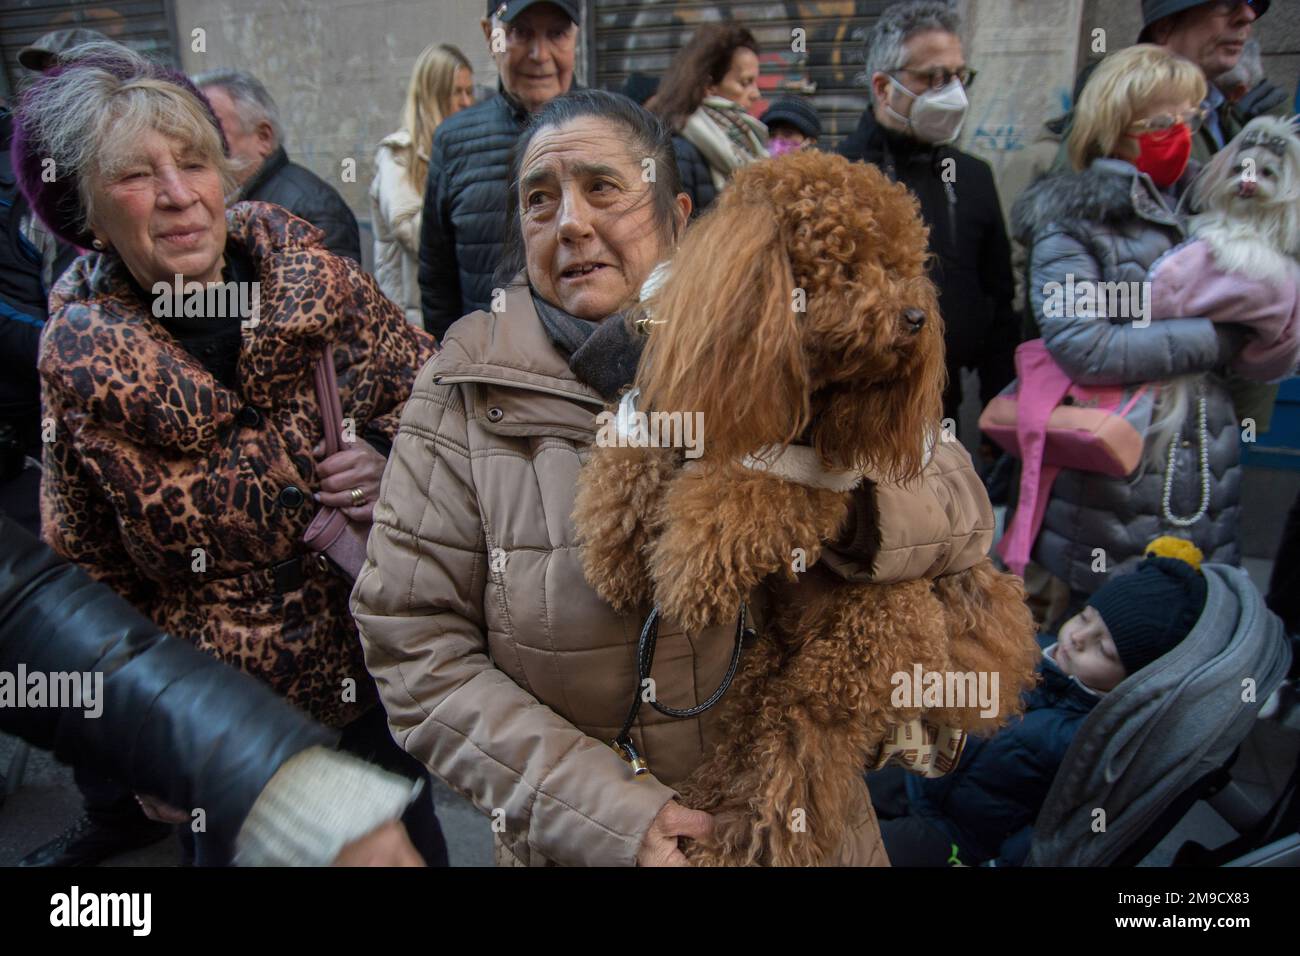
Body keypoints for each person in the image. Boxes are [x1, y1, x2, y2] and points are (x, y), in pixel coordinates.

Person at [351, 89, 998, 867]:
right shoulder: (461, 391)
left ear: (676, 213)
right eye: (539, 200)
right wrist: (611, 817)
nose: (571, 223)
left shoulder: (789, 339)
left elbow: (962, 502)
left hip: (805, 834)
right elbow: (414, 647)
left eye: (603, 188)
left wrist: (842, 512)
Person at [12, 43, 443, 865]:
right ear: (88, 216)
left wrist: (388, 454)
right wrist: (139, 732)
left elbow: (438, 399)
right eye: (136, 176)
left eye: (194, 163)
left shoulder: (317, 283)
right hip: (223, 719)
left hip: (379, 676)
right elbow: (86, 573)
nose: (178, 196)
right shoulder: (77, 366)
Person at [0, 513, 426, 867]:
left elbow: (22, 607)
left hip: (353, 674)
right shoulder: (87, 413)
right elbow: (83, 565)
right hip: (202, 666)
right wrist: (157, 755)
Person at [1010, 44, 1244, 611]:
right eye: (1163, 122)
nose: (1181, 134)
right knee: (1105, 641)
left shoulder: (1204, 211)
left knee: (1189, 627)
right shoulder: (1073, 221)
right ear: (1114, 126)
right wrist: (1216, 339)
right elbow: (1082, 345)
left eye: (1191, 119)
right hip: (1113, 484)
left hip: (1203, 463)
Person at [871, 541, 1208, 866]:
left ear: (1134, 679)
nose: (1077, 638)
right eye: (1085, 618)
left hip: (956, 835)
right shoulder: (1032, 650)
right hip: (923, 772)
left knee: (853, 850)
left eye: (1102, 649)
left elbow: (1054, 828)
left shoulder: (1092, 739)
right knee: (835, 788)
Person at [838, 0, 1017, 450]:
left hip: (946, 410)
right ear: (883, 86)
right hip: (852, 414)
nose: (953, 90)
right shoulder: (839, 176)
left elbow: (999, 300)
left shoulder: (973, 176)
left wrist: (1003, 422)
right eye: (934, 77)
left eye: (960, 75)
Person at [418, 0, 581, 338]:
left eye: (557, 33)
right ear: (488, 34)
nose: (539, 54)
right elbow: (437, 280)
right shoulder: (453, 142)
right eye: (520, 33)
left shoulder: (620, 132)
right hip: (491, 378)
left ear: (575, 37)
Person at [194, 68, 361, 262]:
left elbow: (333, 287)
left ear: (264, 136)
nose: (200, 145)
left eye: (213, 130)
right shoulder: (214, 200)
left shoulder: (311, 207)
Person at [371, 44, 473, 328]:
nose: (466, 102)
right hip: (411, 325)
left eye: (470, 91)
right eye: (457, 92)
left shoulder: (463, 150)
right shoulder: (398, 153)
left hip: (454, 313)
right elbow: (408, 231)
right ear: (432, 95)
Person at [647, 23, 766, 214]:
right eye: (745, 83)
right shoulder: (679, 150)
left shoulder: (746, 145)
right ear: (709, 85)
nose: (755, 94)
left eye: (755, 83)